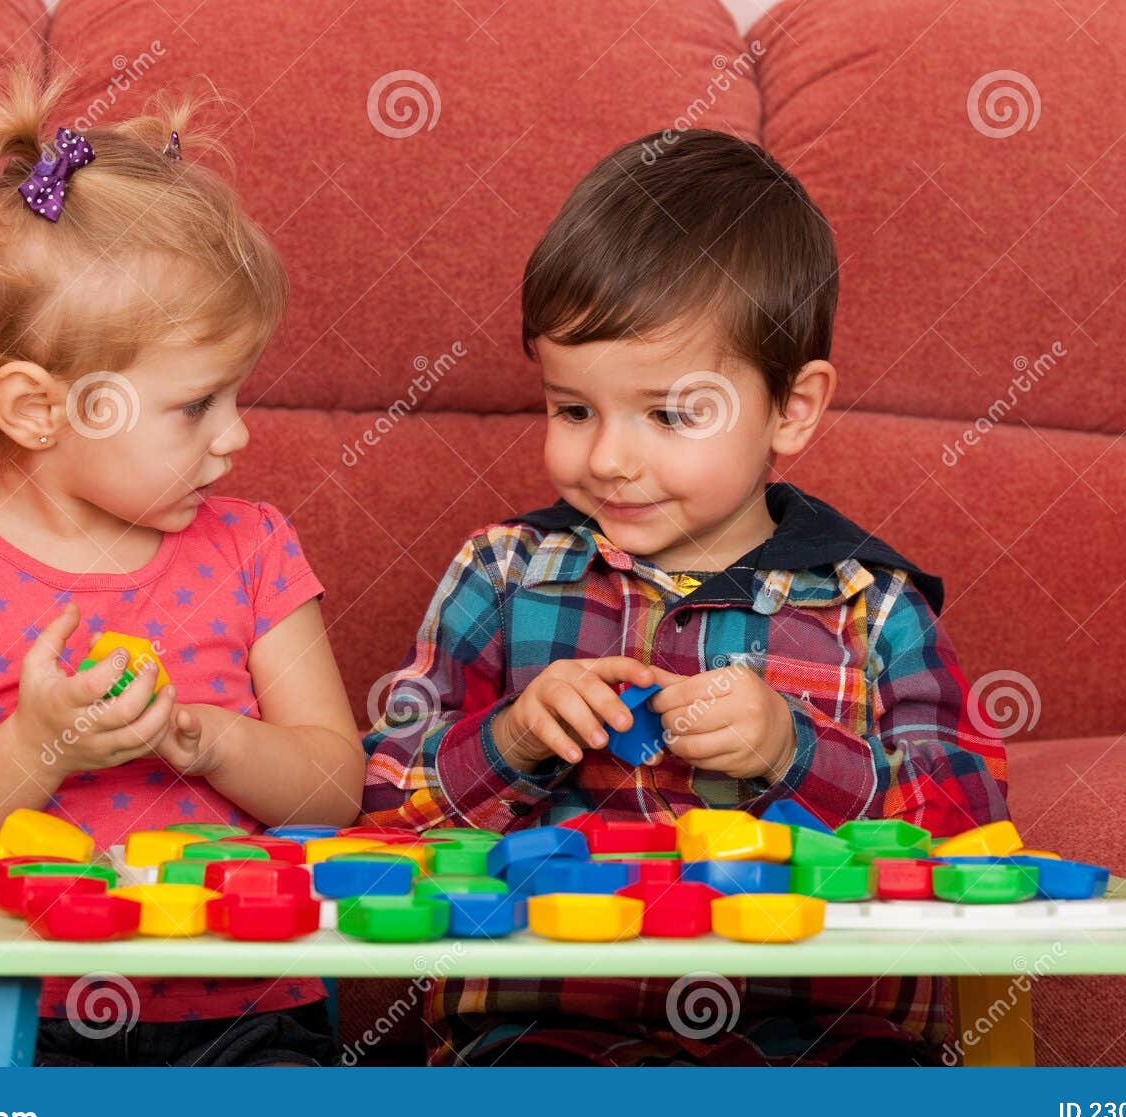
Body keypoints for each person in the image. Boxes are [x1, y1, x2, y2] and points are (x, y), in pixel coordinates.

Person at [362, 128, 1009, 1066]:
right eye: (572, 408)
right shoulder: (504, 574)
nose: (609, 457)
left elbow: (971, 827)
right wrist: (510, 738)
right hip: (551, 1037)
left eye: (671, 413)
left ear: (792, 408)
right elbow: (382, 809)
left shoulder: (872, 604)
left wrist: (795, 749)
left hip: (821, 1043)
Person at [0, 65, 364, 1066]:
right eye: (195, 405)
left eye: (236, 395)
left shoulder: (254, 550)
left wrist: (208, 740)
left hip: (245, 1012)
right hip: (17, 1019)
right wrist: (41, 747)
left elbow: (334, 786)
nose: (237, 435)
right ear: (39, 408)